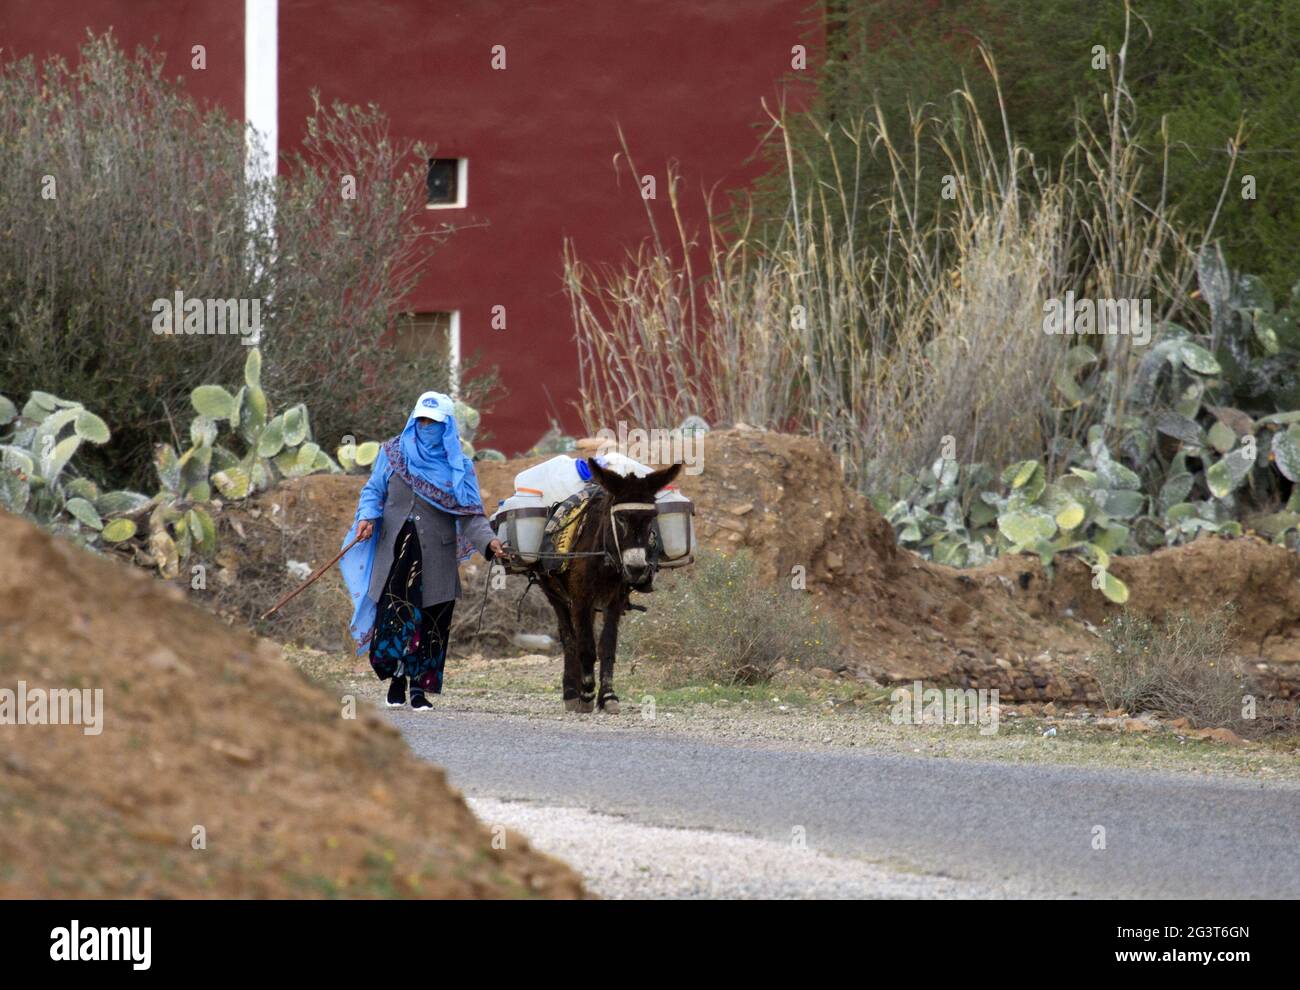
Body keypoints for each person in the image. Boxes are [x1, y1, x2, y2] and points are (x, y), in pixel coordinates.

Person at [338, 391, 506, 710]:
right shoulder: (392, 453)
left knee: (431, 621)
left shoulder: (458, 466)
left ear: (446, 426)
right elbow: (373, 490)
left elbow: (471, 514)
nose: (426, 426)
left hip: (436, 558)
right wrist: (367, 517)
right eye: (422, 420)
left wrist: (489, 541)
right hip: (396, 553)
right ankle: (397, 682)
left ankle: (419, 689)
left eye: (434, 422)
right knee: (396, 616)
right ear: (413, 420)